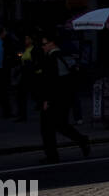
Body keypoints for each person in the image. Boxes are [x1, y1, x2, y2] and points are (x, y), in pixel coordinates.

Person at [38, 31, 91, 162]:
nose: (42, 47)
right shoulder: (65, 56)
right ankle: (82, 140)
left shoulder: (51, 58)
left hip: (54, 98)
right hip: (66, 97)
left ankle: (52, 155)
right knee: (61, 124)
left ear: (52, 43)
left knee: (47, 127)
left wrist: (46, 99)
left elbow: (50, 81)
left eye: (44, 44)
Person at [15, 33, 40, 122]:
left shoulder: (35, 49)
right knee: (21, 94)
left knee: (35, 94)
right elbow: (19, 58)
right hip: (25, 74)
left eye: (28, 39)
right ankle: (22, 115)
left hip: (32, 74)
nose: (26, 41)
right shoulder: (23, 49)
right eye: (25, 39)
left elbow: (38, 62)